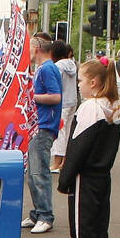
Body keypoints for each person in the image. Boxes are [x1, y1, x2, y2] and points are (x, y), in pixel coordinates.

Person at [53, 58, 120, 238]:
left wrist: (65, 179)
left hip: (86, 178)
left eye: (81, 80)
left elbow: (78, 147)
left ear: (93, 82)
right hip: (103, 177)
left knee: (81, 231)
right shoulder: (115, 105)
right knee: (99, 231)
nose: (79, 85)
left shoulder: (90, 108)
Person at [24, 35, 63, 235]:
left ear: (37, 48)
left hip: (43, 125)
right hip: (40, 125)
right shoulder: (45, 69)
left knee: (38, 173)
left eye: (30, 48)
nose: (28, 52)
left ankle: (45, 215)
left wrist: (31, 98)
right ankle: (38, 213)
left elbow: (55, 96)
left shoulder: (47, 69)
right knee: (33, 174)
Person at [50, 41, 79, 172]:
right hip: (72, 101)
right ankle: (64, 162)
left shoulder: (57, 67)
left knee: (60, 132)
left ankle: (56, 162)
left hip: (62, 103)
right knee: (67, 132)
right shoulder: (72, 64)